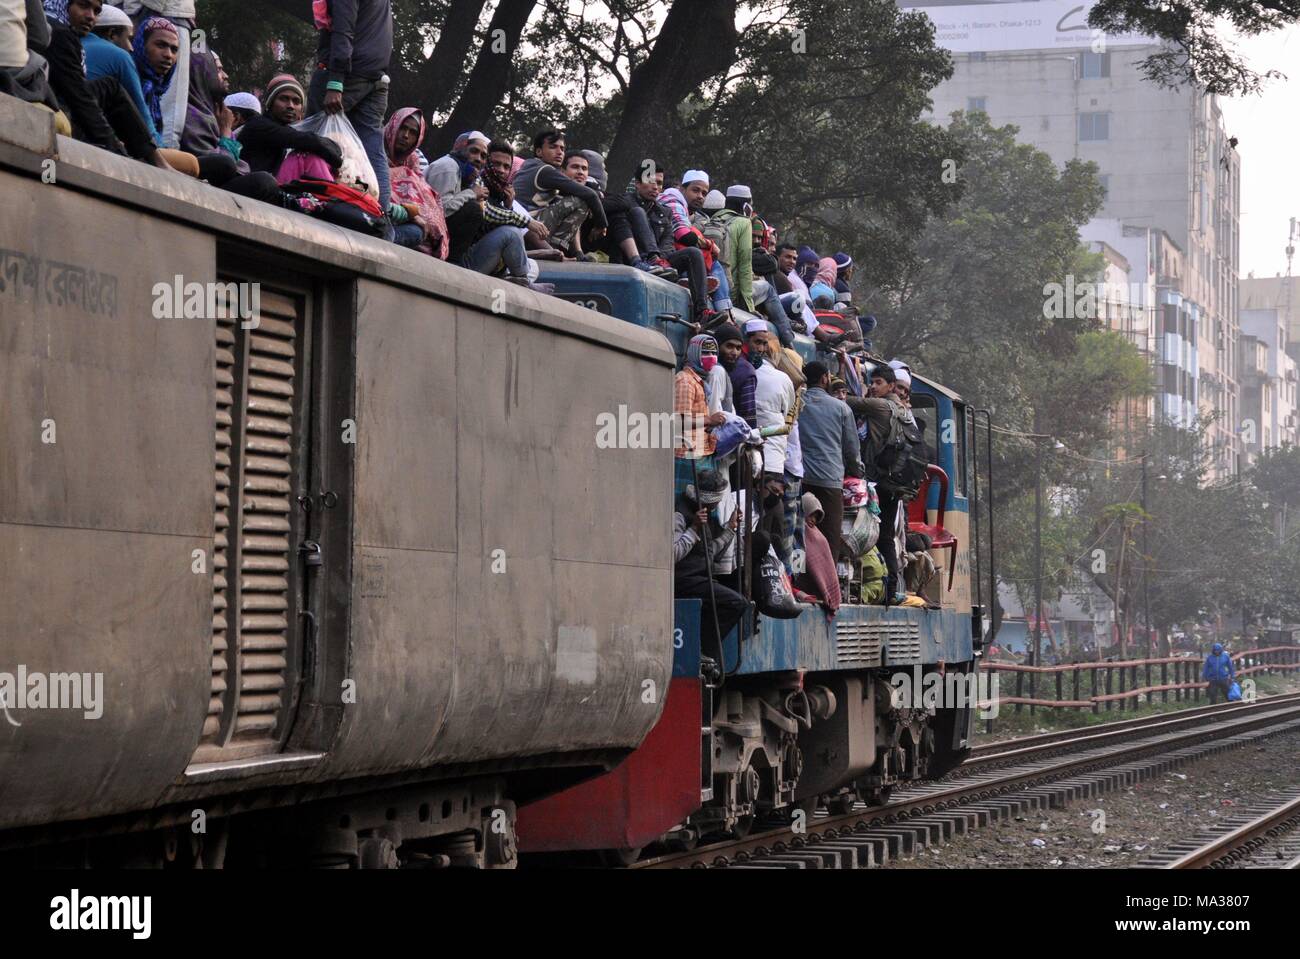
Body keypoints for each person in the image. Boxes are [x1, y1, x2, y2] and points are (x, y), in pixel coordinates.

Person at [307, 0, 394, 212]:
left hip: (346, 74)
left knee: (313, 139)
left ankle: (306, 203)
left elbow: (343, 30)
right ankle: (380, 216)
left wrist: (335, 82)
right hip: (377, 77)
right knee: (372, 148)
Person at [842, 363, 912, 603]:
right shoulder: (904, 410)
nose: (872, 387)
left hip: (877, 482)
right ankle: (891, 588)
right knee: (886, 535)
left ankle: (878, 585)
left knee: (866, 532)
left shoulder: (880, 405)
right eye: (871, 382)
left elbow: (847, 401)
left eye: (877, 383)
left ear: (891, 386)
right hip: (895, 483)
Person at [674, 468, 748, 656]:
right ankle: (702, 651)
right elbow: (672, 554)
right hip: (685, 581)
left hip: (700, 579)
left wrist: (730, 529)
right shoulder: (681, 514)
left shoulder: (702, 514)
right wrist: (694, 529)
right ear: (711, 500)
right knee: (735, 603)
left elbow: (708, 553)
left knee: (734, 601)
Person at [626, 163, 714, 322]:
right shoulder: (625, 203)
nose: (655, 187)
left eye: (659, 183)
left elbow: (667, 242)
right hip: (634, 259)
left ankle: (703, 311)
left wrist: (664, 261)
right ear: (637, 184)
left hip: (661, 261)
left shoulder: (663, 211)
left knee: (693, 253)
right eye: (650, 181)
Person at [798, 360, 863, 563]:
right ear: (825, 378)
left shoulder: (797, 403)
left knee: (799, 532)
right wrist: (857, 470)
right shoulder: (841, 409)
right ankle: (827, 583)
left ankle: (798, 578)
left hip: (800, 477)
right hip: (830, 479)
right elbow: (851, 448)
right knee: (830, 534)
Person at [514, 129, 607, 256]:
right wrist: (601, 224)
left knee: (571, 199)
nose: (559, 153)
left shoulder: (530, 165)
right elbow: (589, 195)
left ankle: (564, 251)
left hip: (522, 223)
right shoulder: (546, 170)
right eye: (553, 147)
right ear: (539, 151)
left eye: (562, 149)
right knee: (579, 201)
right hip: (527, 226)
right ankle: (555, 250)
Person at [237, 73, 341, 181]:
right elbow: (307, 140)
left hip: (270, 184)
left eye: (296, 102)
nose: (291, 106)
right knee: (305, 156)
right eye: (284, 99)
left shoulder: (286, 130)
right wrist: (337, 155)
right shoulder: (259, 125)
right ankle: (330, 194)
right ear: (270, 103)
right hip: (252, 185)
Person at [383, 107, 448, 258]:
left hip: (399, 219)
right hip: (373, 210)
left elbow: (420, 197)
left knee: (417, 232)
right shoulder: (375, 147)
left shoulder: (413, 159)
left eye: (413, 133)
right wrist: (411, 214)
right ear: (394, 125)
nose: (405, 136)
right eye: (403, 128)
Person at [80, 3, 149, 128]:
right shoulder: (120, 56)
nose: (131, 48)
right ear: (112, 34)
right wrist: (158, 145)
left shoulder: (71, 43)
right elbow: (141, 114)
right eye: (129, 39)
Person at [128, 14, 176, 147]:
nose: (168, 55)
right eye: (161, 45)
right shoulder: (131, 77)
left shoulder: (155, 90)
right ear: (142, 45)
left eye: (174, 49)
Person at [675, 334, 724, 461]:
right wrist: (710, 420)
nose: (711, 357)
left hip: (700, 452)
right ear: (694, 353)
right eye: (705, 352)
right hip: (687, 455)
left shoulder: (700, 382)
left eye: (713, 353)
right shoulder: (686, 381)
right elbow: (679, 421)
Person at [794, 492, 842, 615]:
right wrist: (797, 591)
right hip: (798, 591)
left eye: (816, 517)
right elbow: (796, 570)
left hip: (814, 596)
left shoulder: (818, 537)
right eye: (811, 515)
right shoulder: (796, 535)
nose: (813, 520)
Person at [425, 129, 487, 218]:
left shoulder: (462, 173)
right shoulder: (449, 166)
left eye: (483, 156)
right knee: (473, 209)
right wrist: (471, 193)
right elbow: (440, 211)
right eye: (474, 151)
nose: (478, 159)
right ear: (461, 149)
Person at [715, 322, 756, 429]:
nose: (735, 352)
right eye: (729, 346)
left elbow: (748, 413)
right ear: (717, 346)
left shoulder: (744, 372)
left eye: (738, 348)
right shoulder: (716, 371)